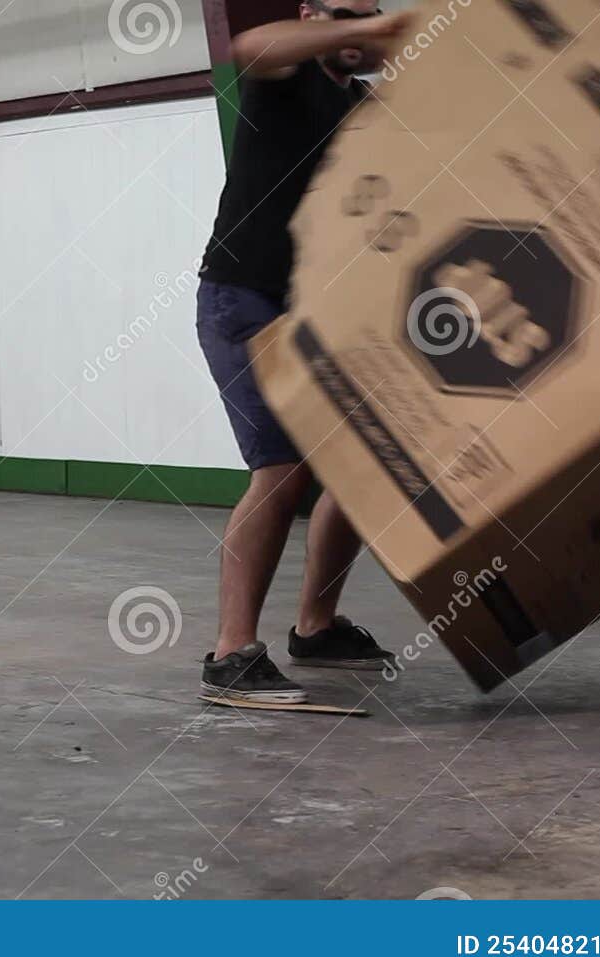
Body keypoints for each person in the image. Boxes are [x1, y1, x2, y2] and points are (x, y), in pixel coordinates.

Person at [194, 0, 413, 705]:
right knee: (283, 470)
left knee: (358, 465)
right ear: (316, 14)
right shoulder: (283, 75)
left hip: (313, 314)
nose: (365, 27)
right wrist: (363, 33)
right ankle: (230, 655)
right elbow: (250, 44)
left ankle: (315, 627)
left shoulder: (366, 110)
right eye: (345, 14)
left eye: (376, 14)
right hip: (243, 299)